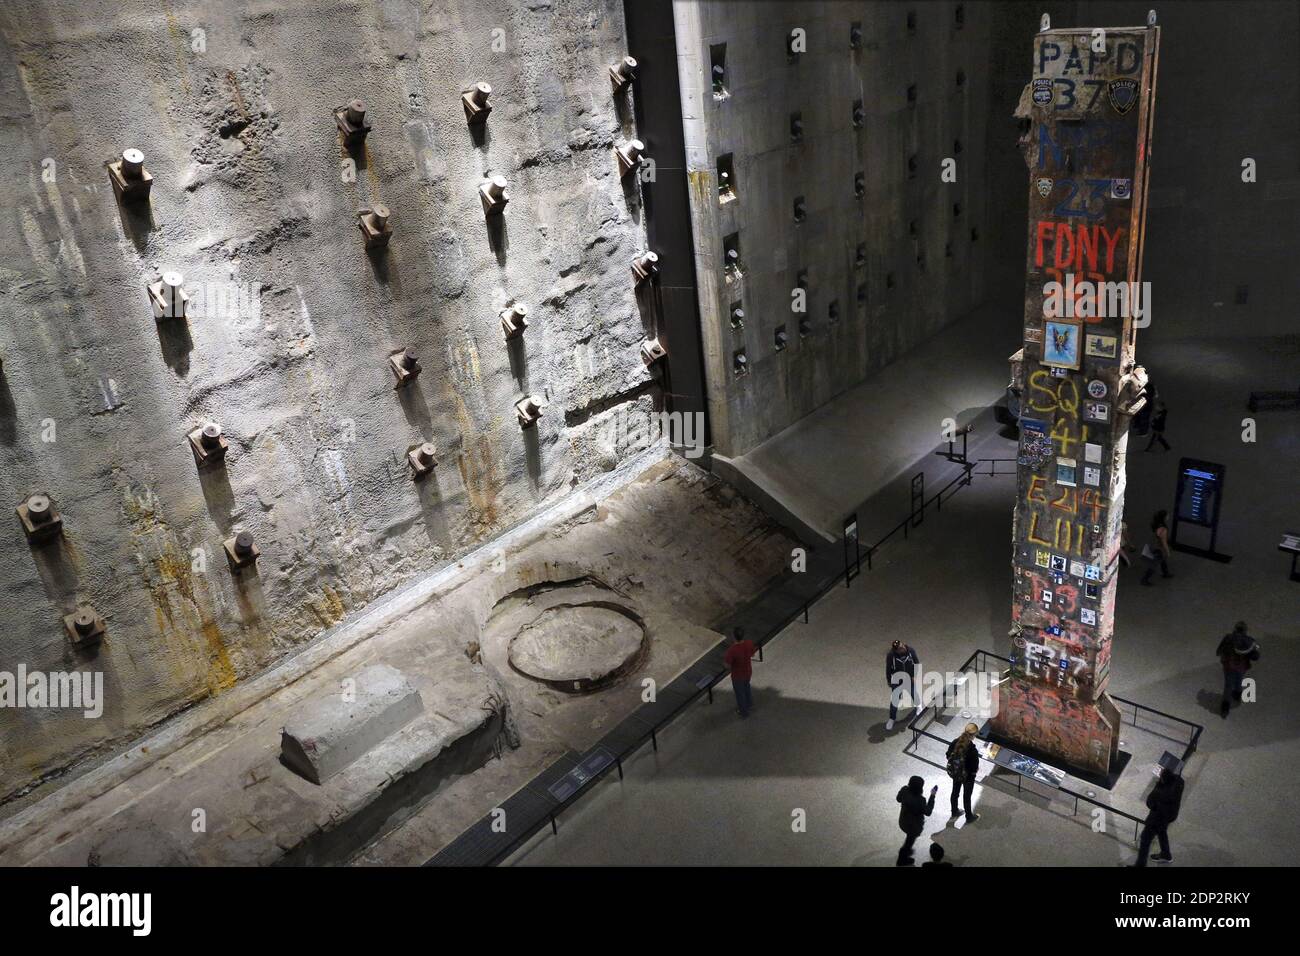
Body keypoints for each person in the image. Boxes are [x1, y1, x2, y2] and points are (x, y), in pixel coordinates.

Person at [1134, 768, 1184, 866]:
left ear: (1164, 779)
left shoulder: (1161, 792)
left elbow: (1150, 802)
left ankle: (1140, 865)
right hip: (1170, 815)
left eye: (1161, 775)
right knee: (1162, 832)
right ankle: (1166, 854)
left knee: (1145, 840)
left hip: (1157, 818)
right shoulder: (1179, 781)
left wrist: (1159, 784)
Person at [1215, 622, 1260, 718]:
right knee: (1239, 681)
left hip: (1228, 666)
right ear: (1245, 630)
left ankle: (1225, 707)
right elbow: (1255, 656)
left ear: (1235, 629)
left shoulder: (1228, 638)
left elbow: (1219, 651)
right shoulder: (1249, 641)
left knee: (1228, 685)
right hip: (1241, 667)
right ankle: (1237, 694)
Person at [945, 722, 982, 823]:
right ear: (974, 735)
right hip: (968, 777)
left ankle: (954, 811)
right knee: (967, 796)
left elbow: (948, 755)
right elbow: (974, 768)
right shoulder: (972, 750)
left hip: (956, 773)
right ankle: (969, 817)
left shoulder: (955, 742)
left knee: (955, 792)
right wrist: (973, 772)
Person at [896, 775, 937, 865]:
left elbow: (898, 799)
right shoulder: (920, 800)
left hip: (903, 821)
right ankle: (902, 859)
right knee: (909, 842)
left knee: (909, 840)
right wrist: (932, 796)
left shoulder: (904, 790)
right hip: (913, 827)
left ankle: (907, 852)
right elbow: (928, 812)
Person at [885, 640, 922, 730]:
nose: (903, 648)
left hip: (909, 678)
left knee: (913, 693)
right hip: (897, 680)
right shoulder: (891, 656)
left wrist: (914, 676)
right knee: (894, 700)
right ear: (896, 650)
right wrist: (889, 681)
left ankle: (919, 706)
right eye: (900, 648)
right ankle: (892, 718)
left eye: (902, 646)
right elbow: (888, 669)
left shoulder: (910, 651)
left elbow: (917, 663)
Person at [723, 627, 757, 719]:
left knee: (740, 694)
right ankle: (749, 704)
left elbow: (727, 665)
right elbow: (753, 654)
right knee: (747, 688)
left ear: (734, 637)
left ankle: (743, 712)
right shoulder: (749, 643)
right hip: (748, 672)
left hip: (738, 676)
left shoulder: (732, 650)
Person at [1140, 510, 1173, 585]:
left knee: (1162, 559)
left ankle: (1165, 572)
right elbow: (1164, 542)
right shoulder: (1163, 529)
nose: (1168, 517)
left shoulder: (1157, 524)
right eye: (1167, 516)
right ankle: (1144, 579)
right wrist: (1167, 552)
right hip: (1158, 548)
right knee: (1154, 564)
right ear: (1164, 517)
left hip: (1153, 545)